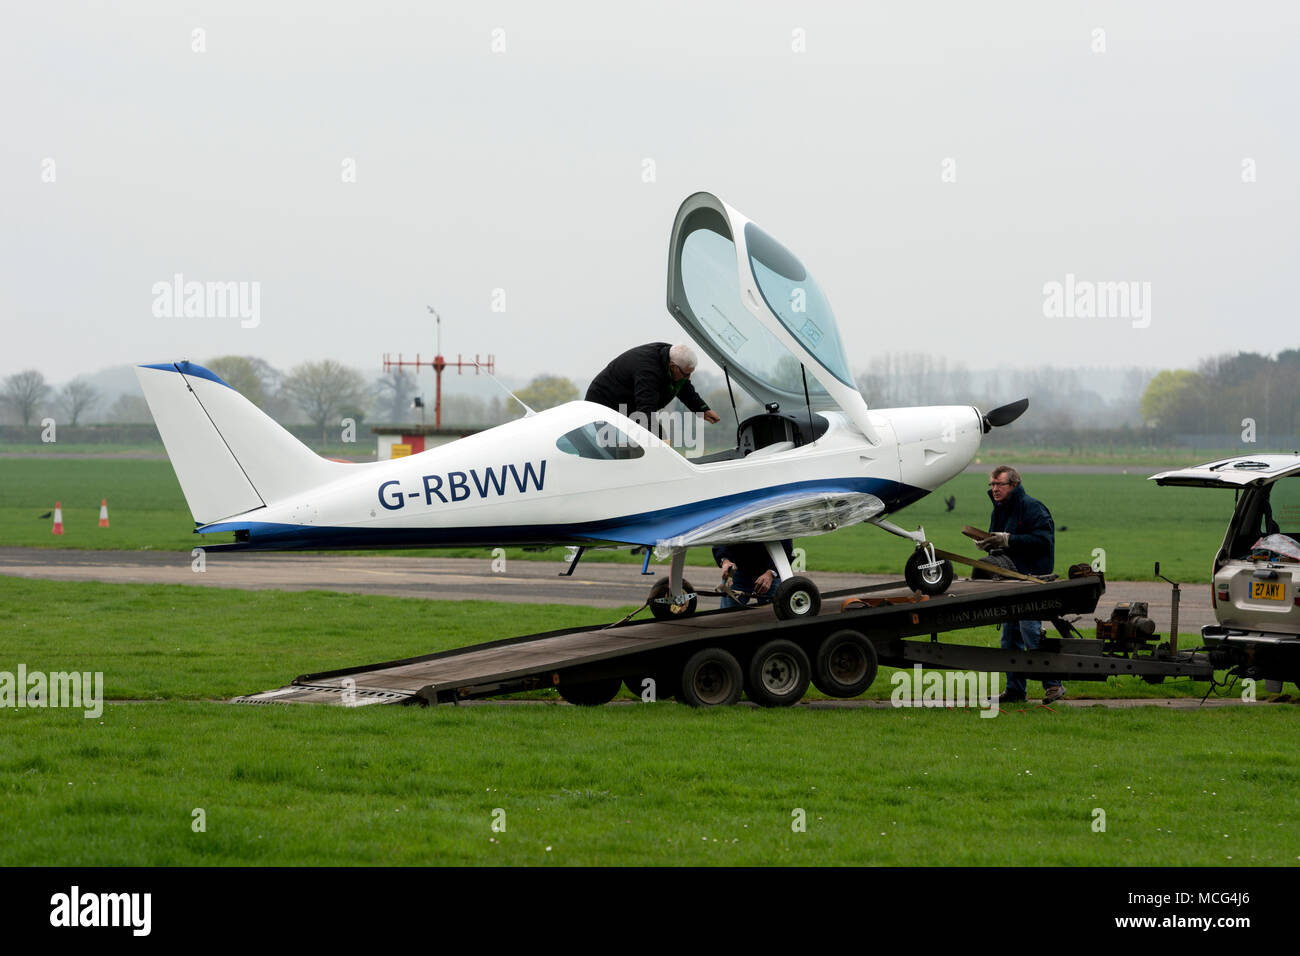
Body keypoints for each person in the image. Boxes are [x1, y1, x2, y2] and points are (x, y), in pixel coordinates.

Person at [977, 465, 1062, 704]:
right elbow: (1003, 543)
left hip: (1033, 578)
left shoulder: (1033, 507)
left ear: (1014, 485)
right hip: (1010, 579)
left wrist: (1008, 539)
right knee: (1010, 637)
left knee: (1030, 632)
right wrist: (989, 544)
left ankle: (1054, 685)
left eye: (999, 484)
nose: (994, 489)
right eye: (992, 485)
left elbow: (1043, 541)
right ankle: (1015, 691)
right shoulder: (1000, 508)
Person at [585, 343, 721, 427]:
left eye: (691, 373)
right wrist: (659, 440)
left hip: (627, 406)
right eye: (686, 374)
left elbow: (684, 388)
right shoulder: (648, 372)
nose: (688, 377)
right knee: (655, 440)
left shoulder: (672, 357)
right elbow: (645, 410)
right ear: (673, 366)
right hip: (603, 406)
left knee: (655, 439)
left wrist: (702, 409)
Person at [713, 540, 795, 609]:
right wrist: (724, 560)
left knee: (774, 617)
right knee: (727, 616)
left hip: (771, 574)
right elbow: (721, 534)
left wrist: (772, 572)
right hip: (738, 569)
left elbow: (786, 545)